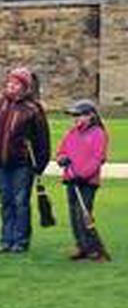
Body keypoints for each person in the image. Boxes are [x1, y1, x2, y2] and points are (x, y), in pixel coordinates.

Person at [0, 67, 51, 254]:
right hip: (0, 163)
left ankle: (20, 240)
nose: (11, 86)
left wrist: (39, 165)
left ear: (24, 87)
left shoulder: (33, 109)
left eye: (16, 83)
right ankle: (6, 239)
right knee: (5, 202)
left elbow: (42, 139)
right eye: (9, 82)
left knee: (20, 202)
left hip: (22, 164)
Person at [57, 100, 109, 262]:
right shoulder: (71, 133)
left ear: (90, 116)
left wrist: (82, 175)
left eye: (79, 115)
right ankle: (81, 246)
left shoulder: (98, 134)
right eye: (74, 116)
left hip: (87, 182)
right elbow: (61, 151)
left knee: (83, 214)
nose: (75, 118)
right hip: (71, 179)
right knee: (74, 215)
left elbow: (98, 158)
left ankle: (94, 248)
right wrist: (61, 158)